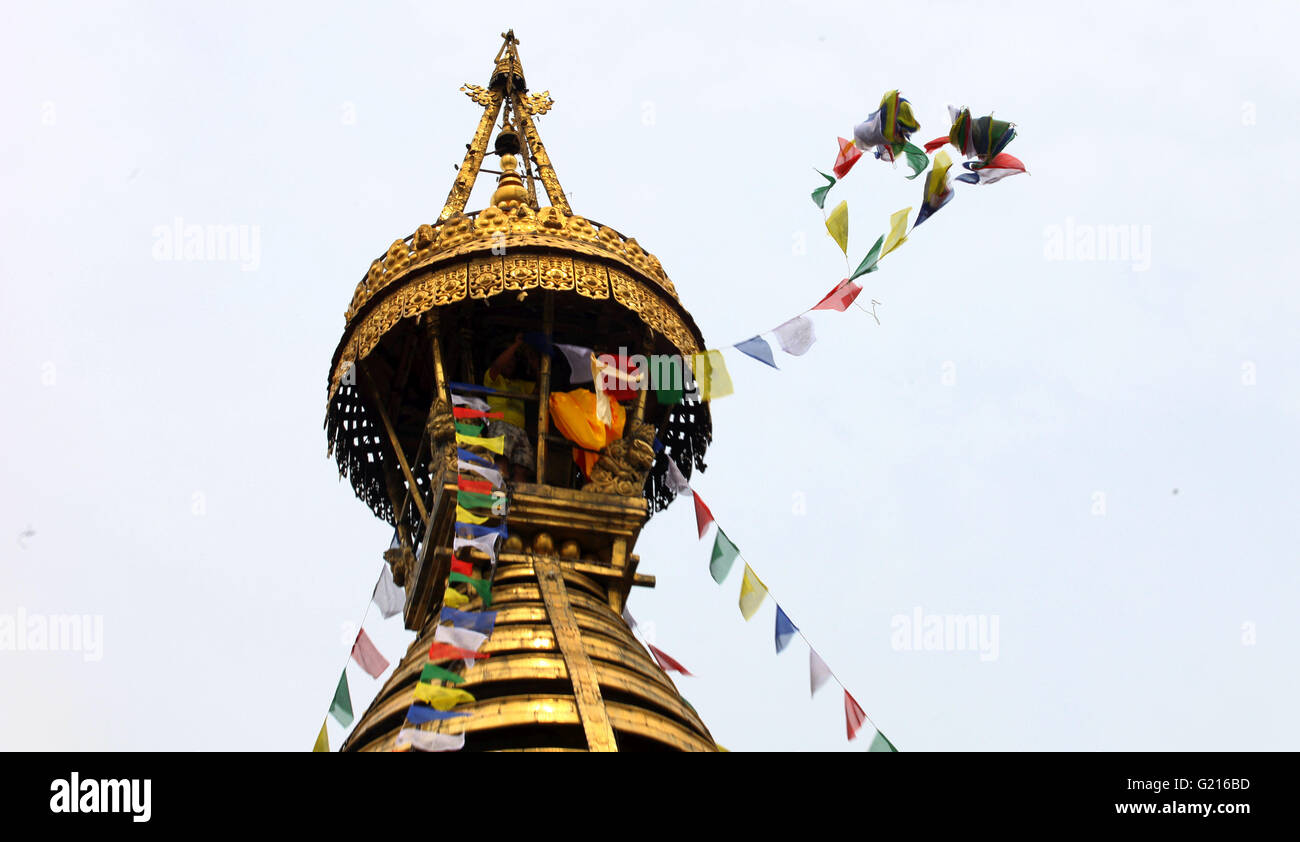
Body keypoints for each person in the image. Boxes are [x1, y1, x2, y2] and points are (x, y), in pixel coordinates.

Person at [484, 334, 538, 482]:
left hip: (521, 431)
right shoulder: (492, 378)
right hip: (500, 426)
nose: (510, 362)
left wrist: (533, 362)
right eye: (508, 358)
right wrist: (515, 346)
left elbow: (541, 388)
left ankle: (518, 502)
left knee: (522, 467)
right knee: (501, 463)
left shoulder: (521, 385)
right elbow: (496, 366)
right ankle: (499, 499)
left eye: (513, 360)